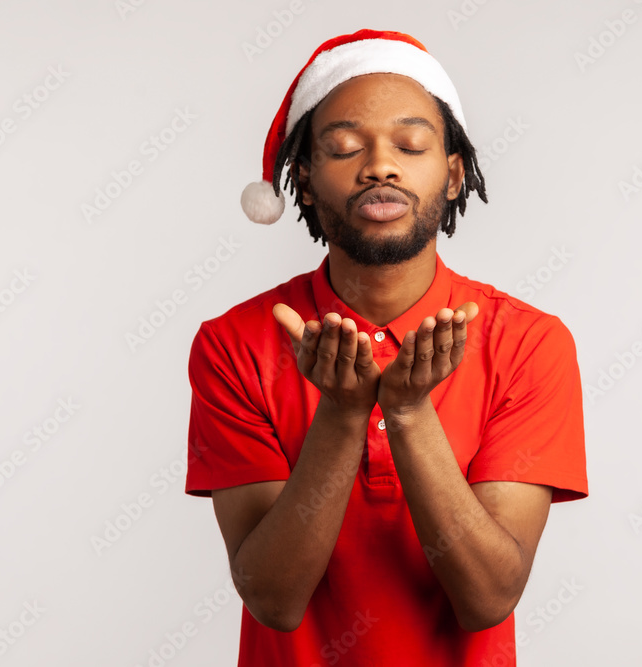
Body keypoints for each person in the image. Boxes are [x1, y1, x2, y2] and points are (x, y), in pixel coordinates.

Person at [184, 28, 588, 666]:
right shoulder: (234, 344)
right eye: (345, 147)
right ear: (304, 180)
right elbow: (273, 598)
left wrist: (407, 412)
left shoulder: (529, 344)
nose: (380, 166)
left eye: (411, 144)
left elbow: (487, 597)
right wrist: (343, 415)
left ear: (453, 175)